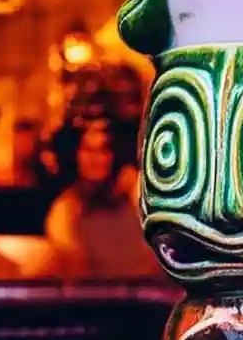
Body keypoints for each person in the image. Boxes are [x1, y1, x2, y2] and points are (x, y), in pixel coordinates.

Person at [43, 120, 160, 280]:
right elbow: (78, 275)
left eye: (104, 149)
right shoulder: (65, 210)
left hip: (154, 295)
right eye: (88, 150)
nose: (96, 158)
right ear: (75, 155)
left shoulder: (137, 189)